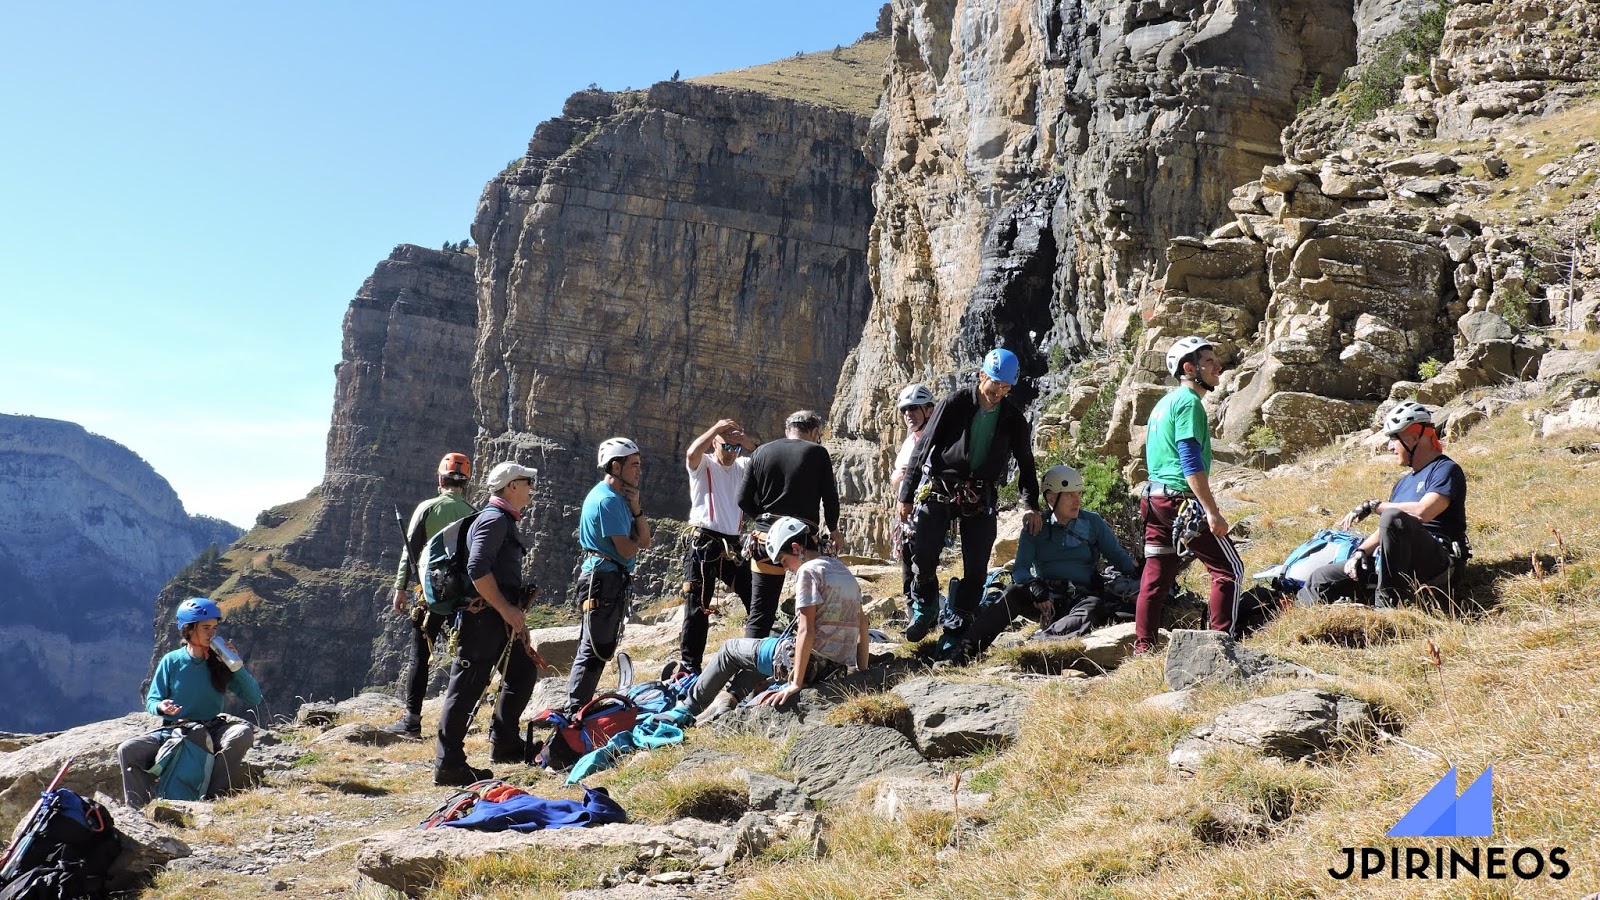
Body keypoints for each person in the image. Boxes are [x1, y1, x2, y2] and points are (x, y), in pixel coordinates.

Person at [897, 349, 1042, 654]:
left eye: (1005, 388)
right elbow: (924, 447)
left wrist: (1031, 505)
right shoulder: (955, 403)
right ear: (981, 376)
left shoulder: (1013, 419)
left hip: (981, 494)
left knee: (976, 569)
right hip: (941, 486)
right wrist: (906, 495)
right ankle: (925, 604)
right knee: (923, 552)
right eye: (995, 385)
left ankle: (953, 633)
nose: (999, 392)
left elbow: (1027, 465)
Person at [655, 517, 867, 725]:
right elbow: (863, 625)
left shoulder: (808, 572)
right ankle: (730, 699)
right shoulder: (842, 570)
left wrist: (795, 683)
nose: (787, 569)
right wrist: (862, 671)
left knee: (730, 650)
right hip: (836, 668)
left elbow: (806, 631)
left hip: (812, 666)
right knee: (765, 646)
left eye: (784, 561)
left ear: (796, 548)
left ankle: (688, 707)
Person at [1132, 336, 1246, 654]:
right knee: (1229, 570)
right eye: (1209, 361)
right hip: (1180, 500)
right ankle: (1220, 646)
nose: (1217, 366)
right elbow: (1189, 460)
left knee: (1156, 577)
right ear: (1189, 368)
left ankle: (1144, 649)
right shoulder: (1188, 403)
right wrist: (1211, 510)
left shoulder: (1163, 404)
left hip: (1154, 500)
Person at [434, 461, 542, 786]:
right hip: (483, 620)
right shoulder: (494, 520)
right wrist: (507, 609)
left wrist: (510, 612)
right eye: (526, 483)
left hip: (495, 618)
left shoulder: (501, 519)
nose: (530, 489)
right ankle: (448, 764)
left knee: (522, 671)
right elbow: (477, 568)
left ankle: (505, 742)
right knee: (465, 688)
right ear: (511, 487)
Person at [1299, 401, 1469, 605]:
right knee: (1321, 577)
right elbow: (1388, 530)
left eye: (1393, 440)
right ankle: (1300, 617)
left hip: (1438, 563)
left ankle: (1388, 604)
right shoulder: (1403, 483)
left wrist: (1375, 506)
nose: (1389, 447)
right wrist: (1360, 552)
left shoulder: (1445, 469)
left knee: (1392, 516)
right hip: (1396, 561)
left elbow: (1423, 512)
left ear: (1413, 438)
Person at [960, 464, 1139, 656]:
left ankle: (1040, 640)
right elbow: (1020, 569)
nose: (1077, 500)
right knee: (1012, 593)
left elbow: (1118, 557)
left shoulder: (1092, 522)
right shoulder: (1037, 527)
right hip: (1046, 598)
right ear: (1052, 498)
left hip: (1082, 595)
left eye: (1078, 494)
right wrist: (1034, 587)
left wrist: (1141, 574)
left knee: (1093, 607)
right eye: (1070, 495)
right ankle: (967, 647)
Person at [118, 598, 262, 807]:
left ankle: (211, 798)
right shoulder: (172, 660)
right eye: (205, 627)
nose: (212, 633)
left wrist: (236, 666)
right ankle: (138, 810)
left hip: (212, 729)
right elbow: (153, 699)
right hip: (176, 730)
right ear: (188, 629)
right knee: (128, 749)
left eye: (214, 627)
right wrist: (161, 707)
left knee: (242, 734)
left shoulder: (220, 661)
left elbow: (254, 697)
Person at [382, 452, 476, 738]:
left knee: (419, 656)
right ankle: (457, 720)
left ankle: (412, 721)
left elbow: (409, 550)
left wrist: (400, 588)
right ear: (465, 482)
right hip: (463, 597)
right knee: (464, 657)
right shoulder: (473, 513)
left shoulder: (427, 508)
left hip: (431, 594)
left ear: (440, 479)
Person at [566, 438, 652, 712]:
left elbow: (645, 541)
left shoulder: (620, 498)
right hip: (602, 581)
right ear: (617, 466)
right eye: (634, 465)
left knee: (595, 647)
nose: (639, 471)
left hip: (604, 580)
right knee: (594, 650)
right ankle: (575, 709)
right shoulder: (608, 501)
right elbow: (627, 549)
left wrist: (637, 508)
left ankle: (578, 706)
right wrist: (635, 533)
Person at [738, 410, 841, 639]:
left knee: (761, 613)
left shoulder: (761, 451)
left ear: (787, 431)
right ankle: (813, 659)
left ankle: (750, 665)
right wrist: (833, 530)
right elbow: (830, 499)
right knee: (815, 603)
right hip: (802, 543)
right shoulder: (818, 453)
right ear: (815, 432)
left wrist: (766, 521)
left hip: (764, 541)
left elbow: (742, 499)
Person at [676, 418, 758, 674]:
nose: (732, 453)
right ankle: (690, 666)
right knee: (698, 604)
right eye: (727, 447)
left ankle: (758, 651)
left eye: (736, 449)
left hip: (731, 544)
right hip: (704, 542)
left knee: (754, 594)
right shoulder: (705, 465)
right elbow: (691, 452)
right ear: (715, 444)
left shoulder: (742, 465)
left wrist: (742, 440)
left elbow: (763, 457)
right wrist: (716, 429)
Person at [890, 383, 936, 600]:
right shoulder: (909, 442)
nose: (909, 414)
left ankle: (926, 609)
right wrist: (903, 475)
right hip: (907, 518)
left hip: (930, 512)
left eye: (914, 409)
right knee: (908, 566)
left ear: (929, 411)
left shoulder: (938, 441)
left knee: (923, 567)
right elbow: (895, 478)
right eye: (905, 410)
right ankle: (913, 612)